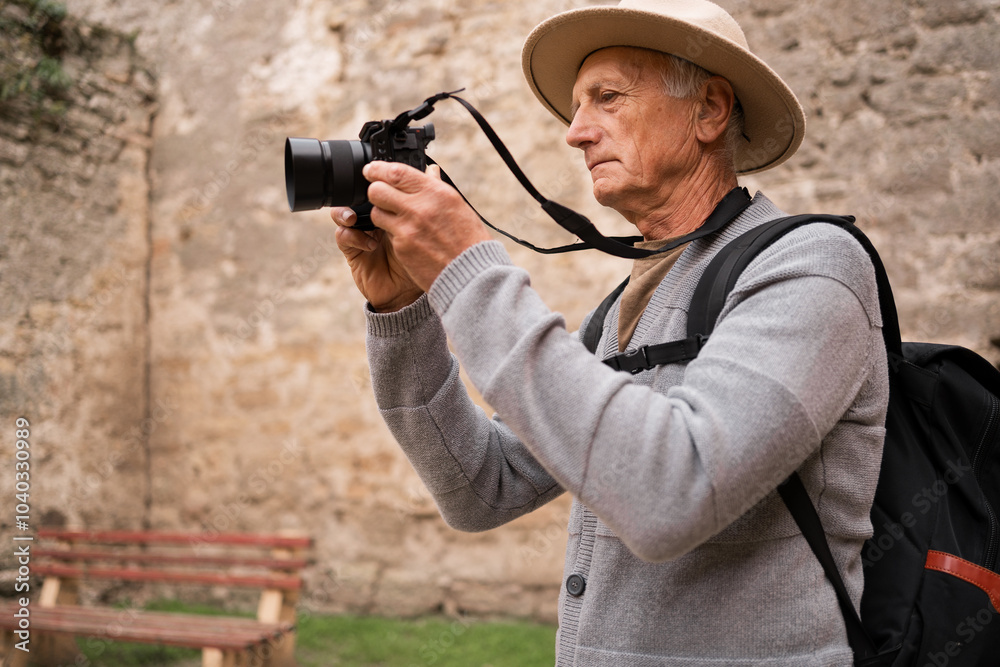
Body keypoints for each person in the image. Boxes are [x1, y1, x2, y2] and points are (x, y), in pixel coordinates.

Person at [332, 0, 888, 664]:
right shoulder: (622, 310)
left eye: (607, 99)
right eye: (576, 107)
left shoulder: (814, 265)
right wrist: (404, 313)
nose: (576, 132)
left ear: (709, 110)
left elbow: (672, 492)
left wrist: (467, 268)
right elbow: (481, 487)